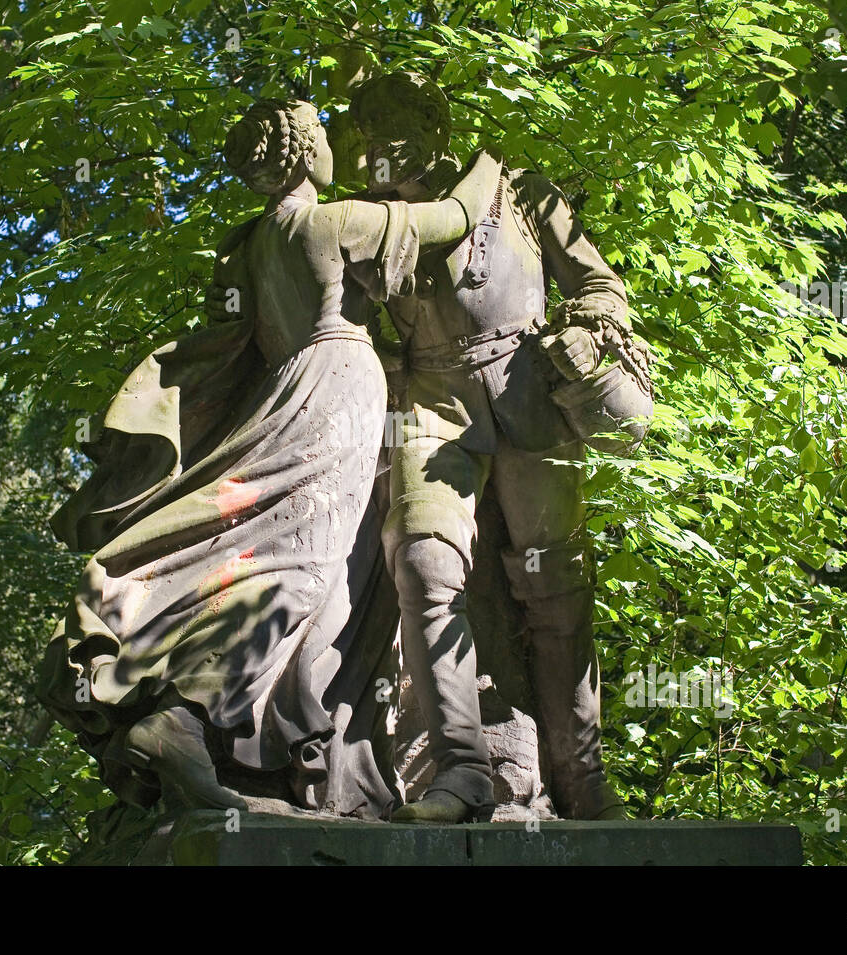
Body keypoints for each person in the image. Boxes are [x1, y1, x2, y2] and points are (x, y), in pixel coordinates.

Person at [38, 99, 503, 819]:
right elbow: (448, 220)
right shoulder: (330, 221)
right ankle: (190, 712)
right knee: (303, 566)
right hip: (338, 396)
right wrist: (488, 171)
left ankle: (212, 734)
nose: (332, 149)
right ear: (295, 153)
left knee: (274, 556)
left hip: (287, 392)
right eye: (320, 136)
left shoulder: (250, 246)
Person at [349, 72, 653, 823]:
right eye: (370, 125)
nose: (380, 138)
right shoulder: (381, 223)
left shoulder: (523, 192)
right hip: (431, 400)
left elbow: (602, 285)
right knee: (421, 560)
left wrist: (586, 327)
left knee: (555, 587)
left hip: (527, 389)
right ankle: (459, 771)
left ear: (434, 124)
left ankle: (582, 779)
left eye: (394, 119)